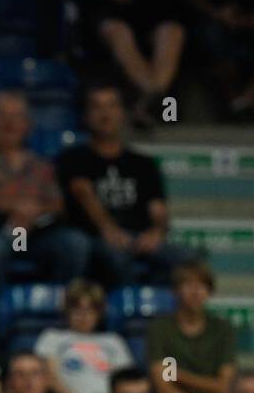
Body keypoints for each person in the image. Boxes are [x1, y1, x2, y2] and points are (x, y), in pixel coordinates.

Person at [0, 92, 91, 291]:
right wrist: (9, 206)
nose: (9, 123)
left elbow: (59, 204)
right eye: (1, 116)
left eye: (17, 116)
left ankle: (63, 309)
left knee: (75, 243)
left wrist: (35, 211)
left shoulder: (40, 163)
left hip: (35, 234)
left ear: (28, 124)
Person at [57, 83, 189, 287]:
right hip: (94, 237)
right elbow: (83, 193)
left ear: (123, 114)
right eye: (97, 107)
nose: (105, 114)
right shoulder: (72, 159)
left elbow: (158, 209)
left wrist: (156, 232)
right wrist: (108, 229)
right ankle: (124, 312)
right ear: (85, 116)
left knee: (186, 259)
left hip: (137, 237)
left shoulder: (143, 164)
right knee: (117, 256)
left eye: (111, 106)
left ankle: (158, 311)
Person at [60, 0, 186, 126]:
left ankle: (149, 100)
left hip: (144, 14)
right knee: (119, 31)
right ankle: (155, 96)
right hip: (102, 19)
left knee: (173, 31)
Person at [146, 258, 237, 393]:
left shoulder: (222, 329)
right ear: (175, 291)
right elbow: (164, 389)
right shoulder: (161, 329)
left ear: (209, 291)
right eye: (188, 284)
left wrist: (178, 375)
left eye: (202, 285)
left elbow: (222, 388)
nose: (195, 292)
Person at [34, 280, 133, 393]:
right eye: (77, 310)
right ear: (67, 311)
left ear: (99, 313)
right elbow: (50, 377)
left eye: (90, 311)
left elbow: (125, 380)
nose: (83, 316)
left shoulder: (113, 341)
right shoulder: (52, 338)